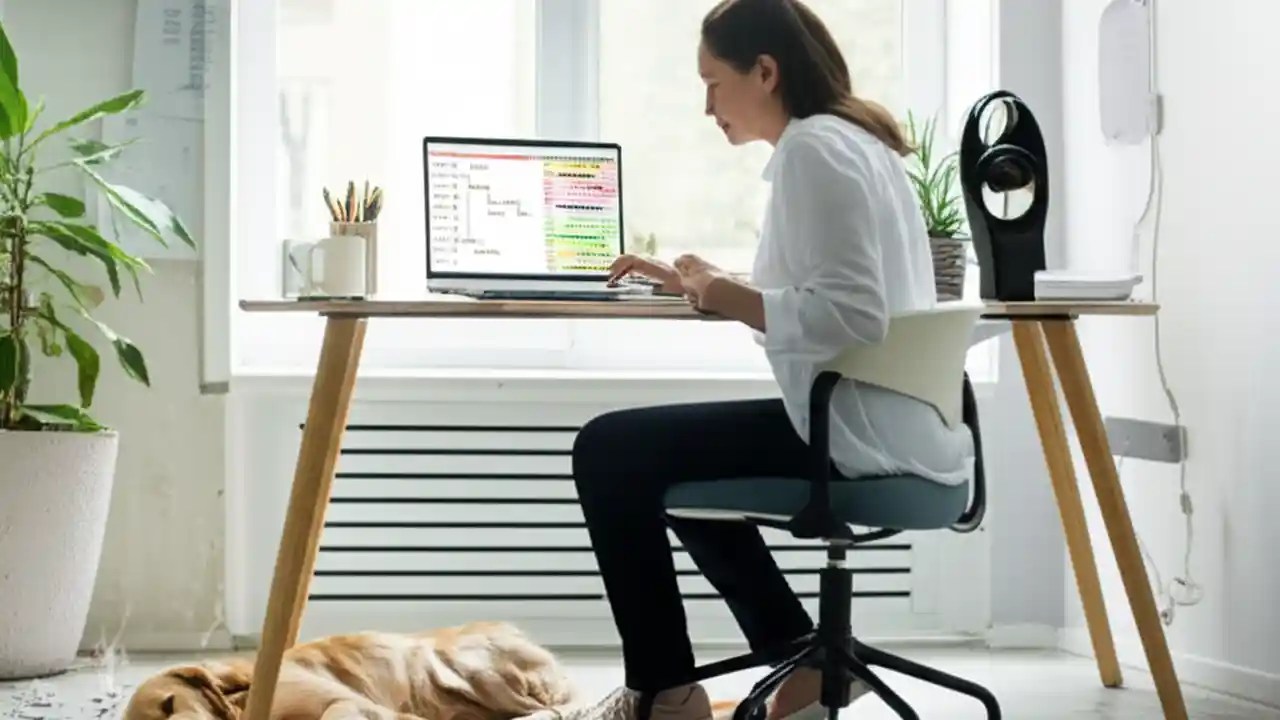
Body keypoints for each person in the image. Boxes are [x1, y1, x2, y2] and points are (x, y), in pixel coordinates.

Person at [569, 1, 974, 719]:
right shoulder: (857, 142)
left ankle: (665, 694)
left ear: (765, 71)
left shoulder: (813, 150)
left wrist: (725, 293)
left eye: (714, 83)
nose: (705, 106)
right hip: (889, 414)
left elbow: (852, 313)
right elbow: (834, 295)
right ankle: (804, 657)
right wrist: (705, 282)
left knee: (608, 449)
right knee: (659, 460)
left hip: (850, 426)